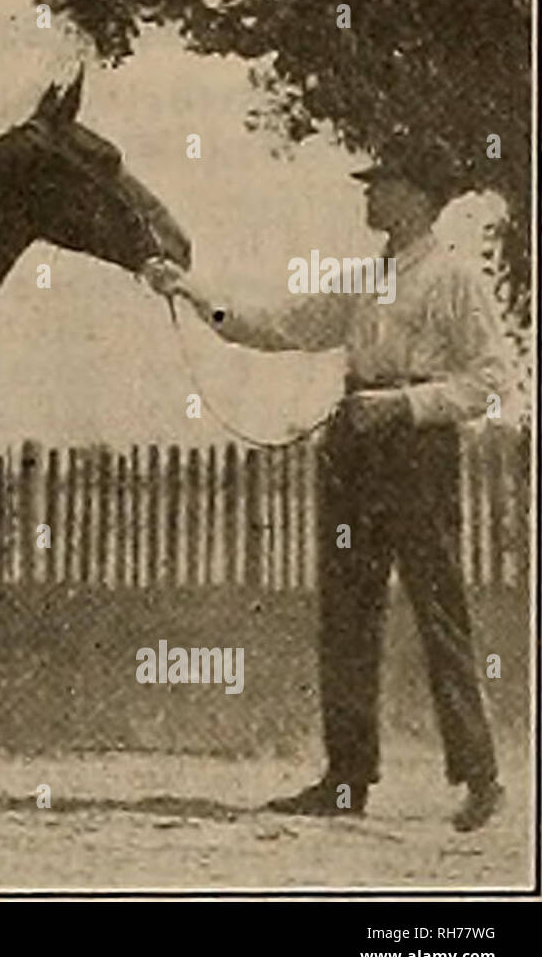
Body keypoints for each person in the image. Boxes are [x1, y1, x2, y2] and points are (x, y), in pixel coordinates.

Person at [142, 146, 510, 831]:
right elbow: (278, 326)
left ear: (419, 197)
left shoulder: (456, 277)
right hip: (355, 448)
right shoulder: (364, 280)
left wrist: (404, 406)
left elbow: (491, 382)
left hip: (416, 452)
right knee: (345, 609)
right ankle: (346, 780)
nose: (368, 197)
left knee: (439, 608)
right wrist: (190, 290)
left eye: (382, 186)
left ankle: (480, 776)